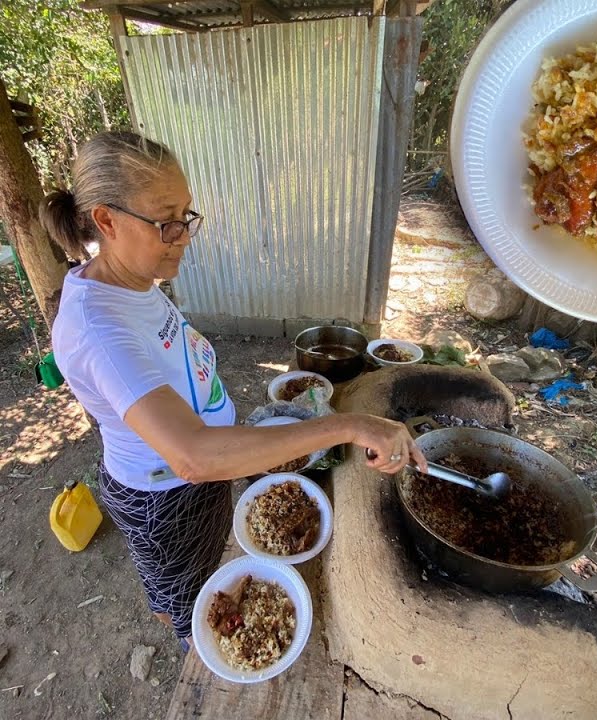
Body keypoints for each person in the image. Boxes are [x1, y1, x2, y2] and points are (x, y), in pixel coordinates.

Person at [41, 131, 428, 650]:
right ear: (107, 221)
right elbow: (194, 457)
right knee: (189, 603)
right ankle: (181, 632)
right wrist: (349, 425)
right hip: (165, 498)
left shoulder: (131, 282)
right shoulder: (99, 328)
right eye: (165, 221)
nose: (183, 235)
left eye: (187, 215)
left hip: (194, 485)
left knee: (199, 567)